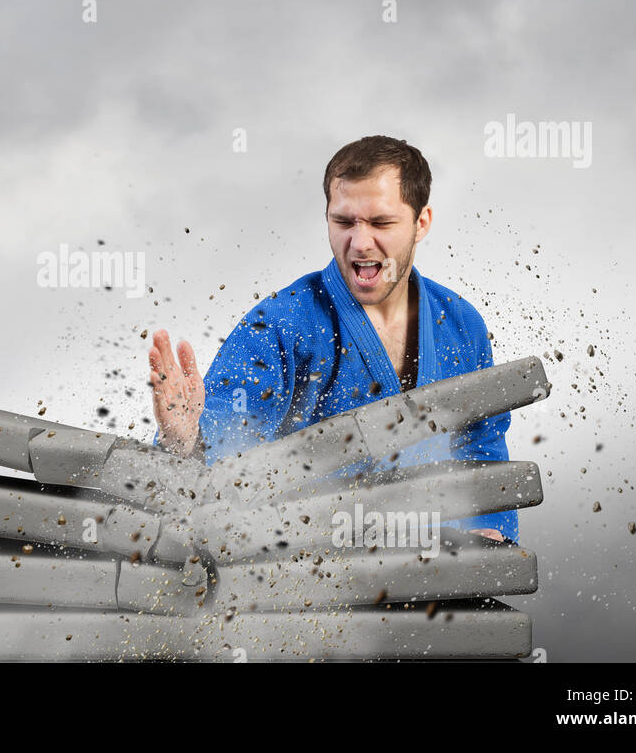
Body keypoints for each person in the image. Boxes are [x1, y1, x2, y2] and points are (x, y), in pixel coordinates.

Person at [147, 135, 515, 542]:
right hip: (309, 572)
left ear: (421, 222)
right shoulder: (280, 324)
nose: (359, 243)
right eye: (343, 222)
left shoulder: (462, 324)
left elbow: (483, 444)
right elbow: (228, 436)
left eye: (380, 222)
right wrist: (186, 443)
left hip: (436, 575)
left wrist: (490, 533)